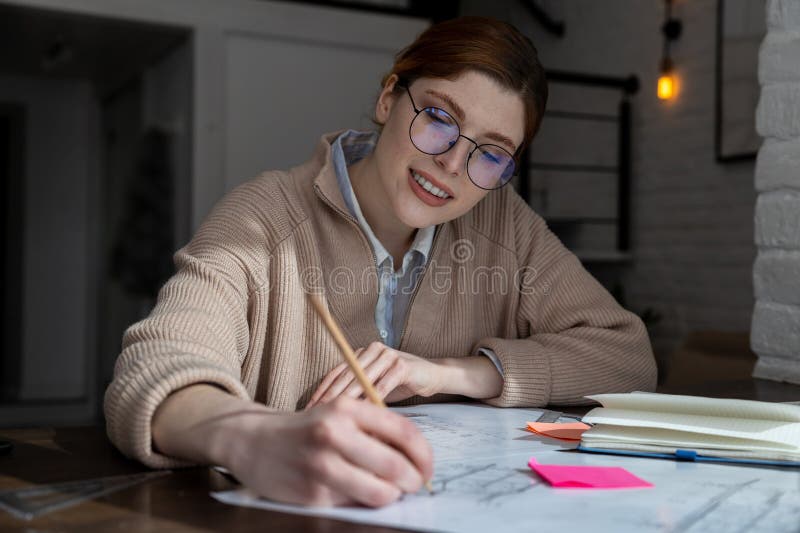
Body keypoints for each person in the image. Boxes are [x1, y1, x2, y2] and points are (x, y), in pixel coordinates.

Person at [104, 16, 657, 509]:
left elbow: (627, 357)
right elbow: (155, 370)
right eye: (440, 118)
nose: (451, 166)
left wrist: (454, 372)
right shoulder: (265, 218)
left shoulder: (505, 224)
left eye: (490, 154)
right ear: (390, 99)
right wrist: (249, 436)